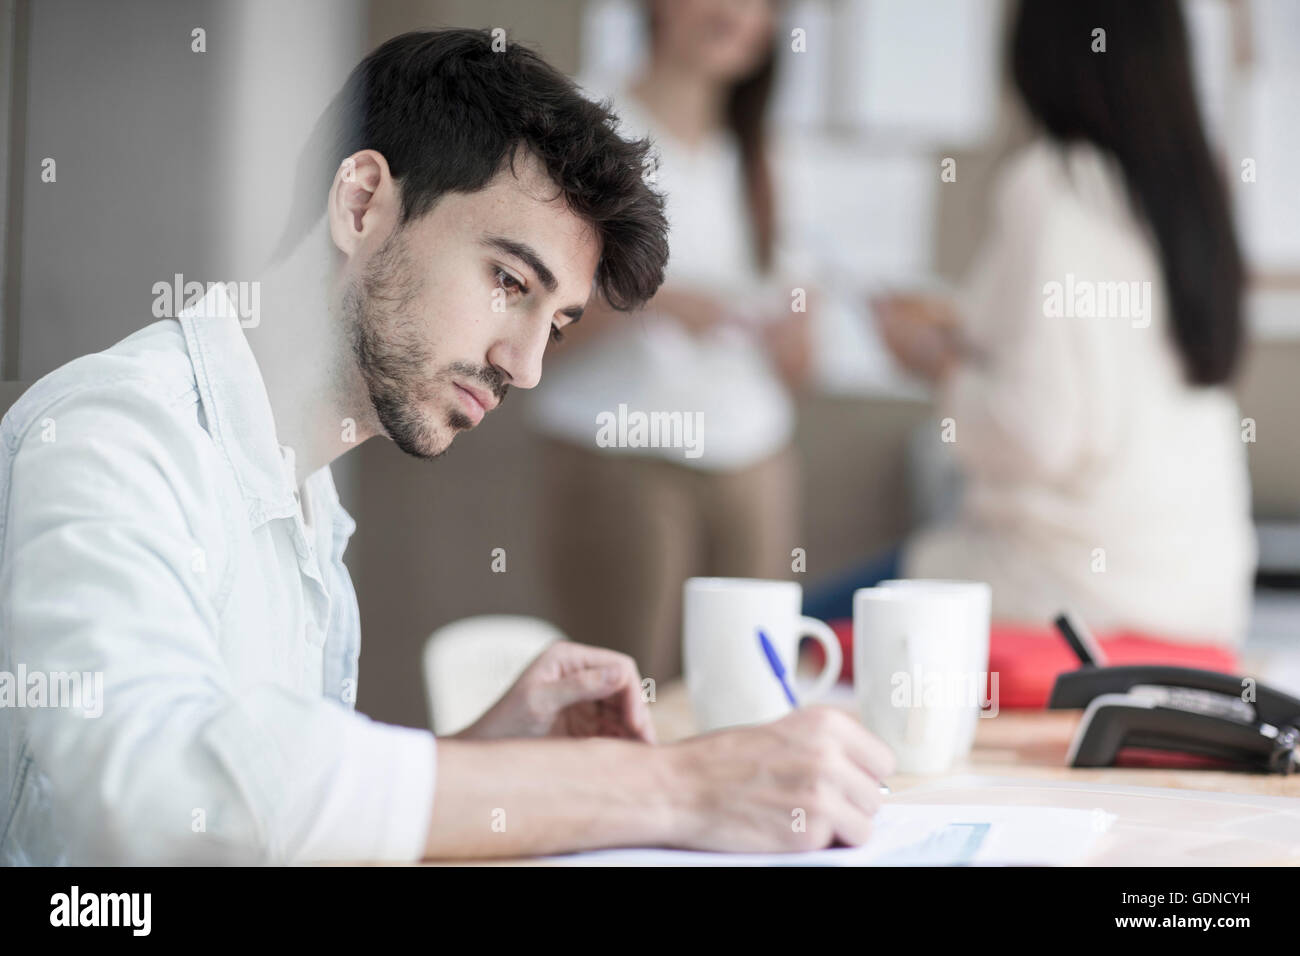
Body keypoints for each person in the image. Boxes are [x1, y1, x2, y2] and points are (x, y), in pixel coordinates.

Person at [0, 29, 892, 865]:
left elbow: (263, 822)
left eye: (558, 321)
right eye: (509, 281)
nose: (529, 365)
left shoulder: (304, 495)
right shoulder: (112, 434)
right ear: (361, 203)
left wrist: (475, 761)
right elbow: (152, 790)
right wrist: (666, 786)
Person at [805, 0, 1256, 646]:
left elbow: (1035, 431)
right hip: (1200, 604)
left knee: (788, 637)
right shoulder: (1190, 195)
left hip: (1067, 596)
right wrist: (965, 339)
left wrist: (934, 360)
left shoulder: (1051, 185)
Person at [529, 0, 813, 684]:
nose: (738, 13)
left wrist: (792, 331)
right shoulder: (582, 130)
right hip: (619, 459)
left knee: (748, 692)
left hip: (752, 461)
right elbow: (525, 326)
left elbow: (805, 365)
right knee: (624, 700)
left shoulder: (768, 154)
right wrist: (645, 299)